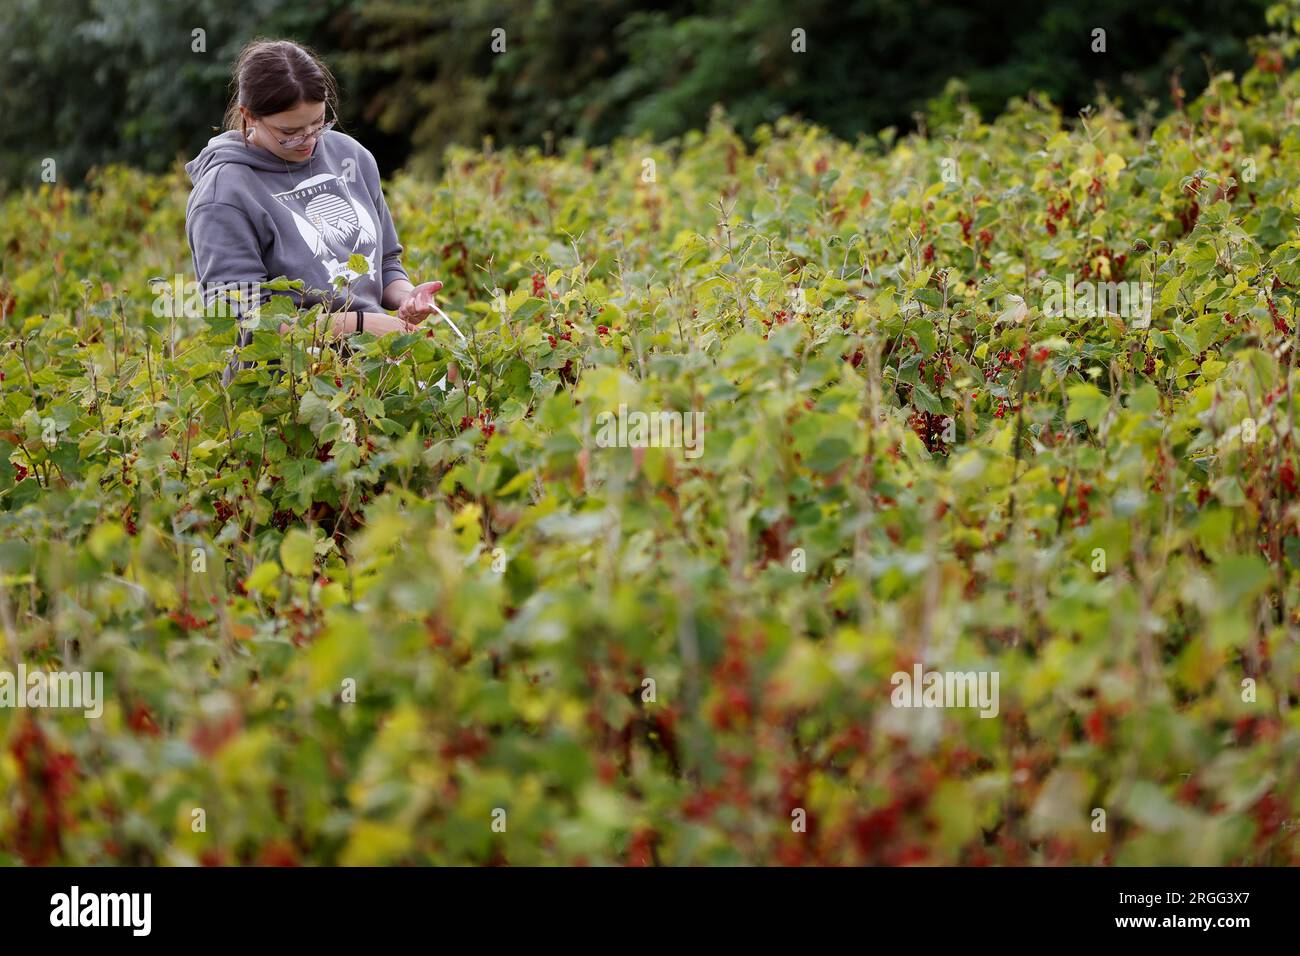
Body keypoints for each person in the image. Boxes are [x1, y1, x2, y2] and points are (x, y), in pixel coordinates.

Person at [184, 38, 442, 382]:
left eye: (318, 124)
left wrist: (407, 297)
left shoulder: (350, 156)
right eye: (289, 133)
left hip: (375, 372)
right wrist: (360, 324)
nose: (308, 140)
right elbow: (251, 321)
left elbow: (385, 264)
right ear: (249, 116)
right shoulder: (223, 196)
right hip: (282, 390)